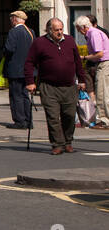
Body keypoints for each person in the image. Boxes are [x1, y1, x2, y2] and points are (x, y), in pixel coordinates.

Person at [25, 18, 88, 155]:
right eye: (56, 30)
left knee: (69, 116)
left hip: (69, 86)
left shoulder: (70, 40)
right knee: (53, 117)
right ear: (49, 30)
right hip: (49, 87)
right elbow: (29, 63)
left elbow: (77, 62)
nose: (60, 32)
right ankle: (57, 144)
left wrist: (82, 80)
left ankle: (68, 142)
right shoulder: (39, 43)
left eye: (61, 29)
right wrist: (30, 82)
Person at [74, 16, 109, 128]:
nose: (78, 31)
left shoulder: (93, 34)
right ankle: (103, 119)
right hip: (102, 63)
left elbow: (99, 54)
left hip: (104, 63)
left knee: (102, 92)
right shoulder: (92, 34)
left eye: (78, 28)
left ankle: (104, 120)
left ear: (84, 27)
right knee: (101, 91)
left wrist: (84, 57)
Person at [3, 10, 35, 129]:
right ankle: (28, 120)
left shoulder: (14, 32)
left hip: (15, 69)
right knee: (25, 95)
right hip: (27, 69)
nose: (11, 21)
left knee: (16, 96)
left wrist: (4, 53)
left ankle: (20, 121)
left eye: (12, 19)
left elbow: (9, 49)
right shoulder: (30, 32)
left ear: (15, 19)